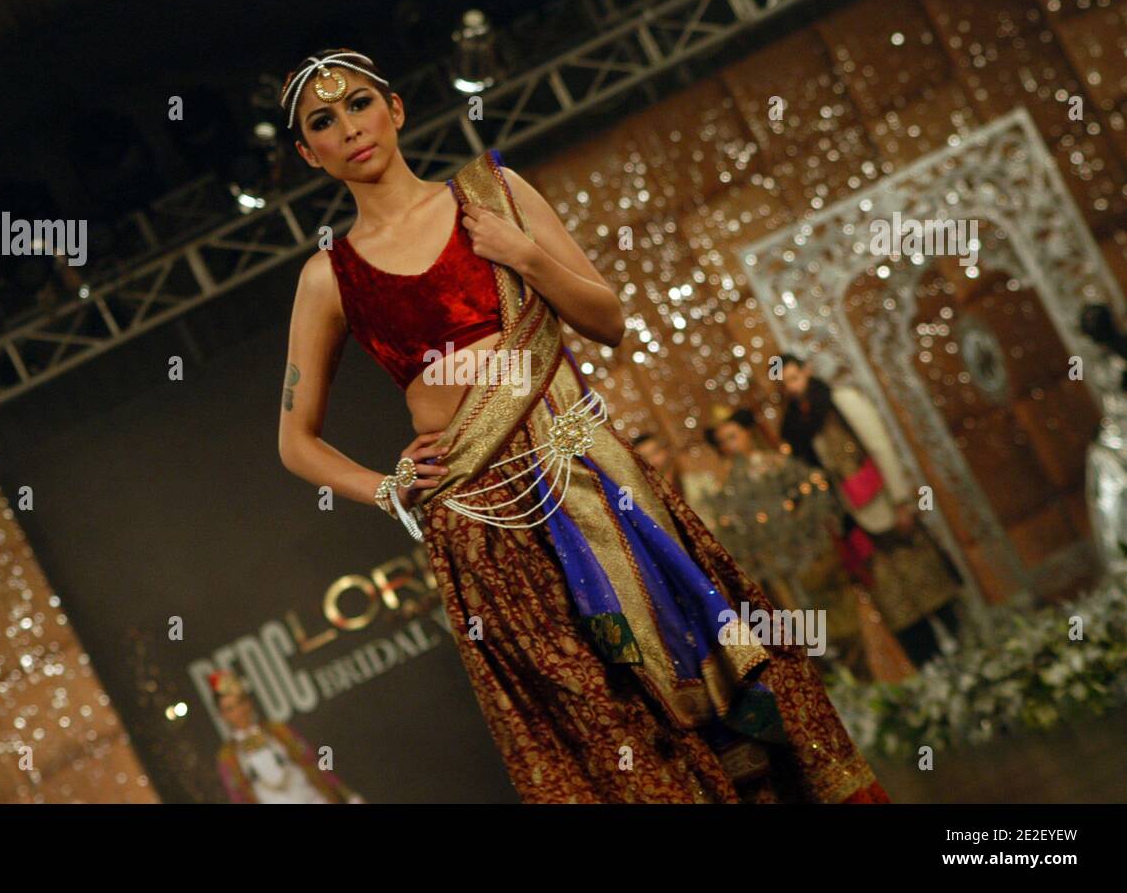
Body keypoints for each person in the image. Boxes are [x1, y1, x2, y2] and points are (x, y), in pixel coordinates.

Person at [276, 48, 888, 803]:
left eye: (361, 103)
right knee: (593, 714)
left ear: (395, 109)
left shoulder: (492, 196)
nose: (351, 128)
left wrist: (523, 255)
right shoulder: (327, 276)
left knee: (683, 663)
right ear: (310, 154)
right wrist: (389, 487)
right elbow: (294, 440)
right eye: (324, 122)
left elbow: (608, 321)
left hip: (592, 484)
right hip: (481, 522)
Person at [701, 406, 915, 684]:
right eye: (724, 441)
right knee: (807, 639)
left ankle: (867, 684)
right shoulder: (727, 491)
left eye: (734, 436)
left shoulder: (779, 466)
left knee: (844, 629)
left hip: (816, 564)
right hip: (781, 577)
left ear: (747, 434)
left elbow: (814, 497)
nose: (731, 445)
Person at [778, 354, 963, 666]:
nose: (793, 388)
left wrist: (901, 500)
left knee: (930, 584)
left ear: (807, 371)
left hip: (882, 505)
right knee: (894, 602)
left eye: (795, 378)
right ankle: (932, 669)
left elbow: (879, 446)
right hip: (851, 522)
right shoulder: (796, 427)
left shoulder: (839, 401)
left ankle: (965, 647)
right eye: (785, 384)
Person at [210, 669, 364, 804]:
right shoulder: (228, 758)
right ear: (222, 715)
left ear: (248, 702)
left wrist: (347, 795)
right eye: (230, 709)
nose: (239, 712)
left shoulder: (278, 730)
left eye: (240, 703)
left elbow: (315, 763)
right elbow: (238, 798)